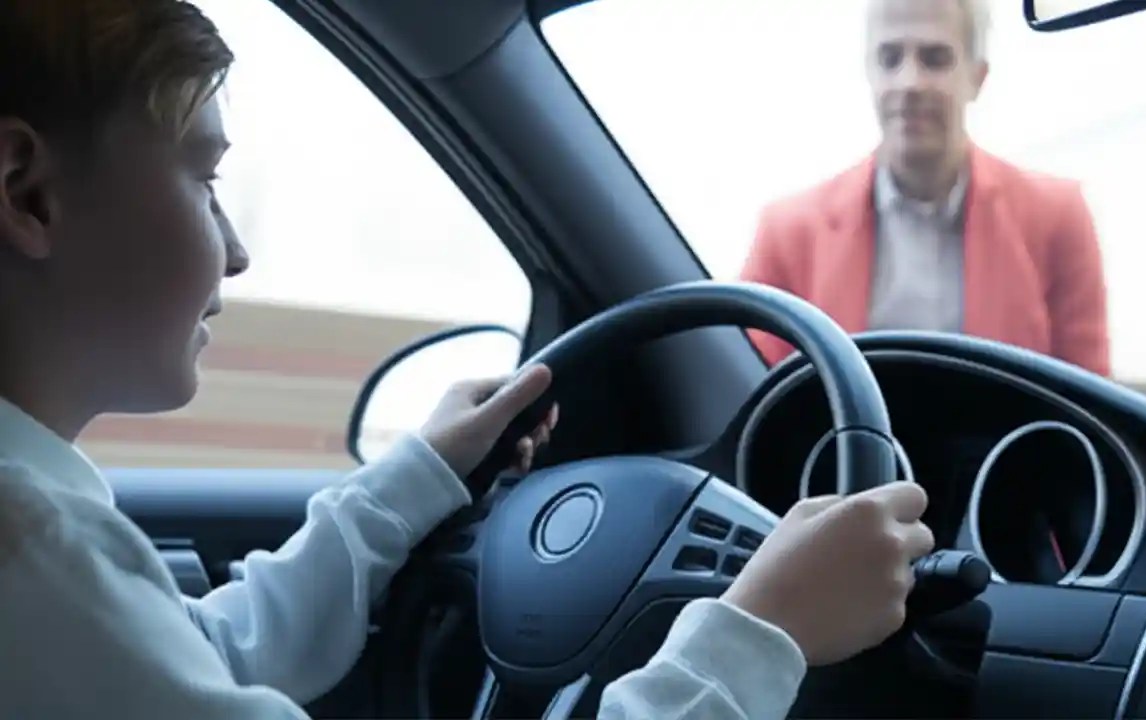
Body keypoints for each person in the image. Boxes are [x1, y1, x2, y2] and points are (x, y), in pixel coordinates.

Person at [0, 2, 935, 718]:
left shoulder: (47, 554)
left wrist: (414, 481)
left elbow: (209, 658)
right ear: (28, 194)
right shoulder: (32, 545)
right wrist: (757, 634)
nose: (235, 249)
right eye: (204, 181)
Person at [739, 0, 1111, 377]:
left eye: (934, 58)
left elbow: (1093, 405)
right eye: (889, 57)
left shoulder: (1058, 217)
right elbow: (744, 387)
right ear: (868, 71)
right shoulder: (787, 232)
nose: (909, 82)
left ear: (977, 78)